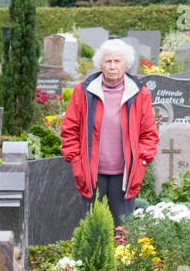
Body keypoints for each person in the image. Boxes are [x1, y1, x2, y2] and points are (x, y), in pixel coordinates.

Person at [59, 38, 160, 224]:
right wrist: (76, 160)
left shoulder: (139, 93)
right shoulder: (83, 91)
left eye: (117, 61)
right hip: (91, 172)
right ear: (100, 64)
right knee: (93, 229)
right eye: (108, 61)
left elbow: (149, 134)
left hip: (124, 174)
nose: (113, 66)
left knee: (122, 230)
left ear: (126, 64)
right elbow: (70, 130)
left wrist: (141, 160)